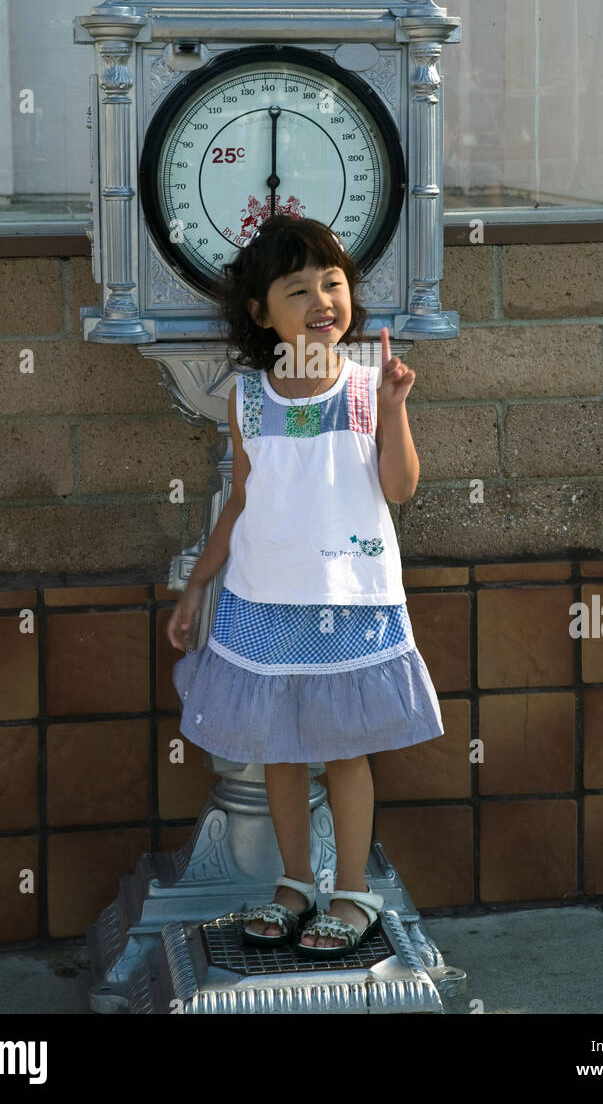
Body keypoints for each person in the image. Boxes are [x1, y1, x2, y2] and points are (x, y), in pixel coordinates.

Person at [166, 215, 444, 959]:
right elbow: (242, 496)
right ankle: (295, 884)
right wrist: (197, 585)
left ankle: (349, 891)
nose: (323, 297)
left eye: (333, 281)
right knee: (279, 753)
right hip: (263, 602)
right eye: (298, 288)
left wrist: (394, 410)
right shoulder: (249, 399)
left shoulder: (365, 387)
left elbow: (400, 487)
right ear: (261, 313)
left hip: (347, 604)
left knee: (344, 752)